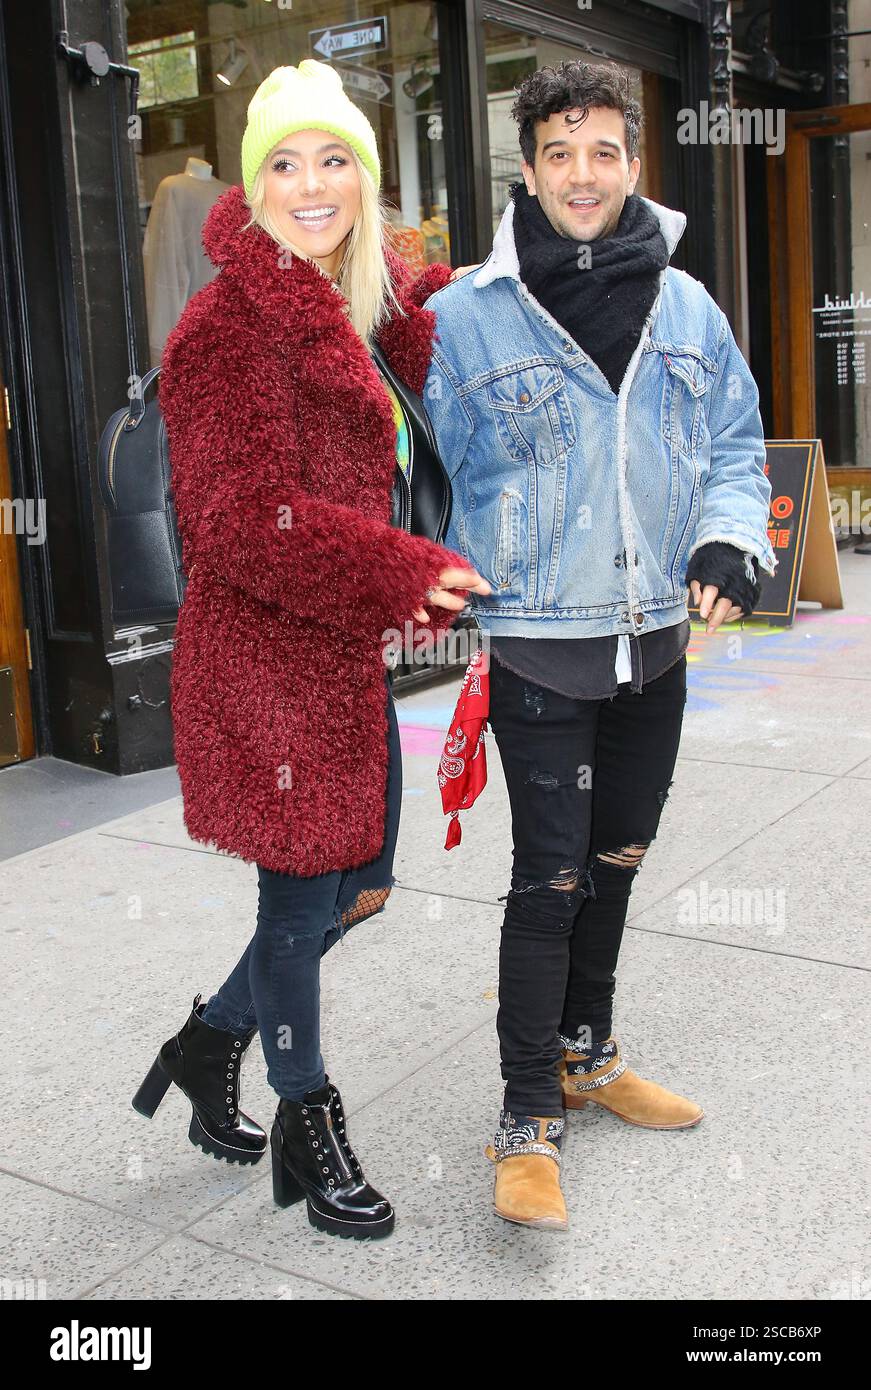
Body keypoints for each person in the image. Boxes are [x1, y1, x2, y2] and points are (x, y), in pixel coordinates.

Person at [131, 60, 489, 1241]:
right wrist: (398, 573)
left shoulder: (356, 299)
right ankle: (307, 1109)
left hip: (338, 657)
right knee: (299, 908)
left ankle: (202, 1041)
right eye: (284, 163)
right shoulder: (224, 329)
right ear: (255, 183)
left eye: (335, 159)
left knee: (359, 889)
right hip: (265, 664)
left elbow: (402, 335)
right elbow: (237, 522)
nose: (312, 183)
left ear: (367, 179)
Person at [422, 61, 776, 1230]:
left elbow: (732, 435)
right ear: (527, 168)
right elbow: (413, 472)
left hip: (656, 643)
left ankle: (587, 1050)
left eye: (605, 152)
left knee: (617, 858)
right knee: (550, 877)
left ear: (633, 165)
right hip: (536, 638)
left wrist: (732, 540)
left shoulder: (684, 304)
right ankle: (526, 1116)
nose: (584, 174)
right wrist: (415, 569)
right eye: (560, 153)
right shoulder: (464, 315)